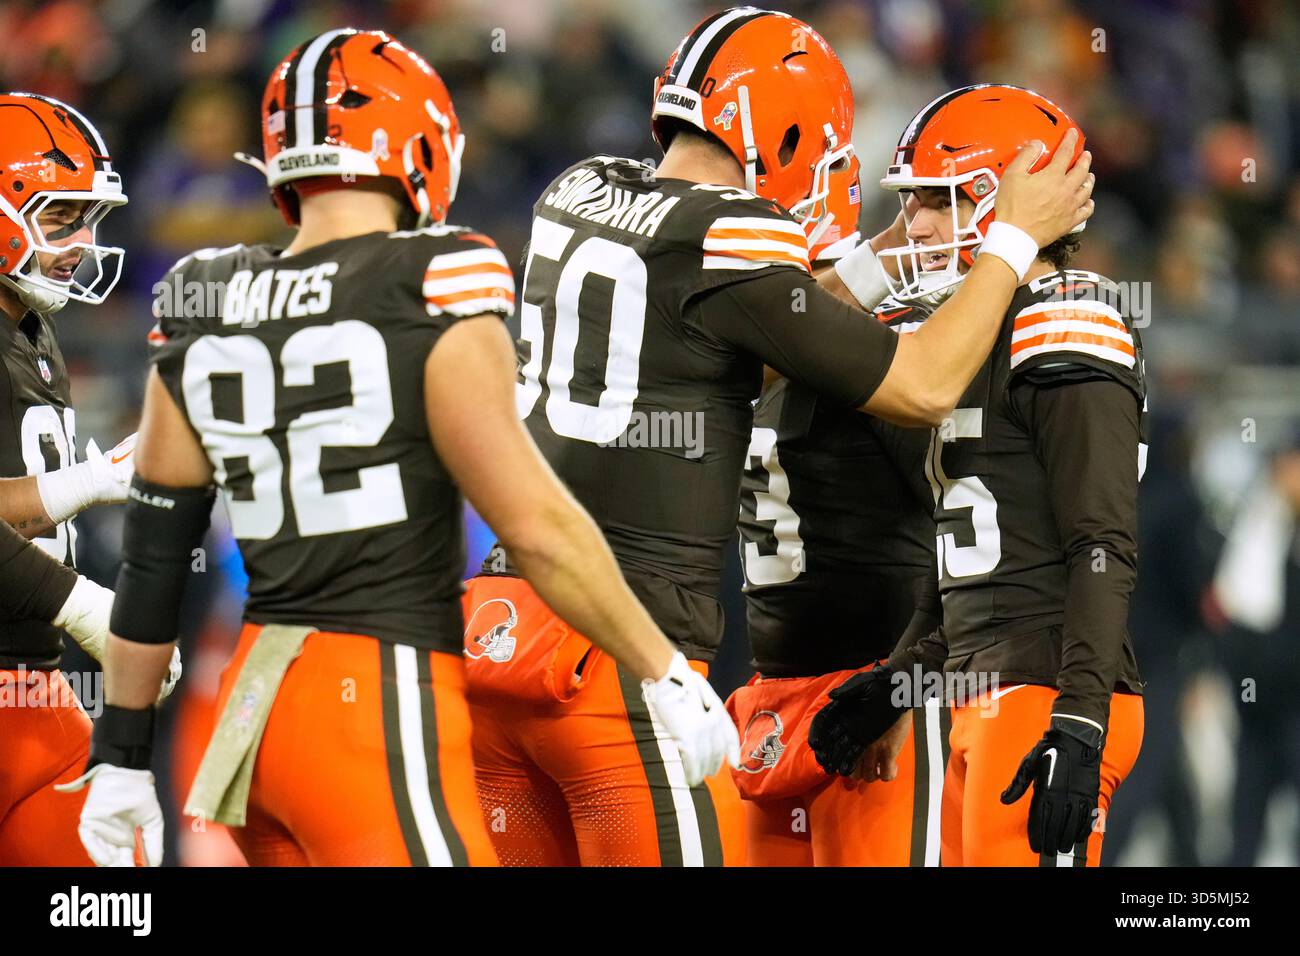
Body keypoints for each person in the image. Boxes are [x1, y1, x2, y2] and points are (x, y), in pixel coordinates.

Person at [61, 28, 736, 868]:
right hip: (372, 703)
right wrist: (660, 665)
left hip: (249, 709)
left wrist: (123, 753)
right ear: (418, 145)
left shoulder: (206, 293)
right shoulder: (435, 280)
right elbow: (535, 525)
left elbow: (154, 564)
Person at [462, 9, 1092, 866]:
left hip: (499, 632)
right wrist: (1010, 241)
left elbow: (739, 338)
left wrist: (880, 258)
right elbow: (921, 383)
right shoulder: (732, 235)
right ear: (781, 128)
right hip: (621, 646)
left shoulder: (579, 190)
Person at [810, 85, 1146, 867]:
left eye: (939, 199)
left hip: (1049, 688)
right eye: (913, 200)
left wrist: (1081, 717)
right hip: (979, 691)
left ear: (1008, 200)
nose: (914, 225)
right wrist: (897, 680)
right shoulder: (959, 340)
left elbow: (1100, 542)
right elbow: (970, 561)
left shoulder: (1066, 313)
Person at [732, 156, 945, 866]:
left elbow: (971, 533)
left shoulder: (880, 348)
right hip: (778, 694)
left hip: (873, 694)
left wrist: (907, 684)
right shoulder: (739, 355)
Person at [0, 91, 178, 865]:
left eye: (90, 219)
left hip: (33, 691)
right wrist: (87, 609)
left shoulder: (28, 323)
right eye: (60, 215)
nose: (80, 242)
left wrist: (90, 481)